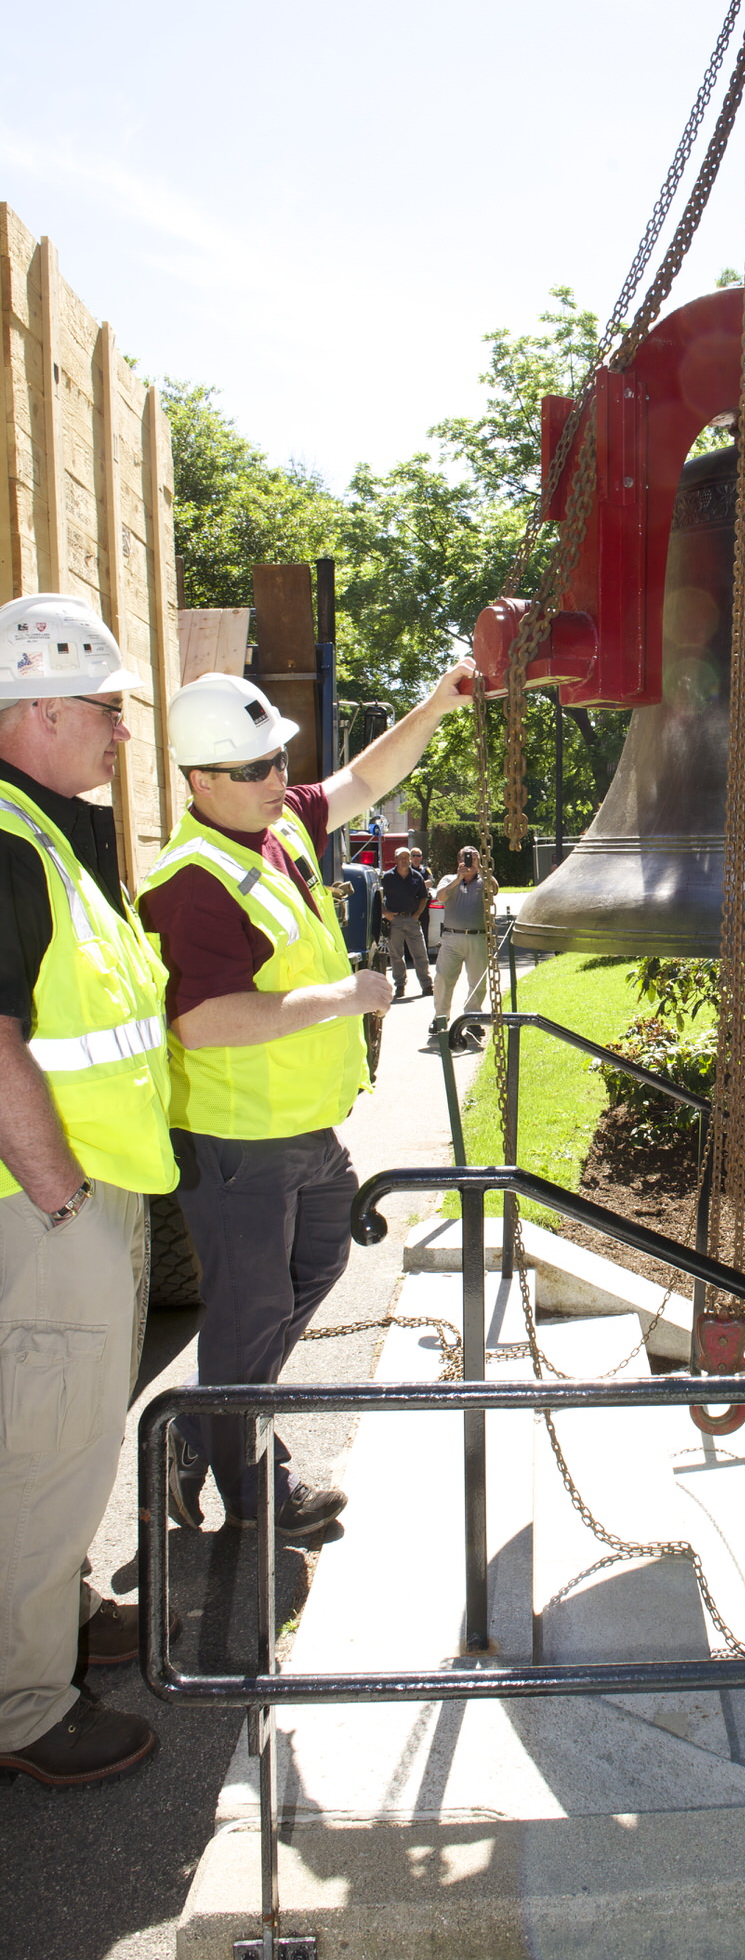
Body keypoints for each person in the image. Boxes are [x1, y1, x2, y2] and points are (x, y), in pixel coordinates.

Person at [140, 661, 475, 1537]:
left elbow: (365, 776)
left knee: (321, 1259)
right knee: (250, 1313)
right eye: (252, 769)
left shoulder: (279, 824)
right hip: (238, 1141)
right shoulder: (190, 881)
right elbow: (205, 1022)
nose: (277, 779)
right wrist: (348, 996)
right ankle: (256, 1495)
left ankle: (205, 1424)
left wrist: (436, 705)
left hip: (302, 1131)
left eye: (278, 760)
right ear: (200, 780)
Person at [0, 594, 178, 1788]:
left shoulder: (54, 831)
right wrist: (60, 1193)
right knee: (44, 1451)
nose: (121, 733)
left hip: (88, 1192)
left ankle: (51, 1614)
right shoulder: (12, 840)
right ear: (44, 707)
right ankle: (23, 1704)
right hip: (43, 1204)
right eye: (107, 710)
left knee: (63, 1434)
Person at [430, 845, 493, 1039]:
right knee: (442, 979)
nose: (469, 861)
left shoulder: (484, 881)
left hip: (477, 937)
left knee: (477, 982)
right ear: (459, 860)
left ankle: (472, 1017)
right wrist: (458, 878)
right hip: (451, 938)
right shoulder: (449, 879)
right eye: (466, 857)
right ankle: (440, 1017)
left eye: (473, 857)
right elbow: (440, 897)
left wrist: (481, 869)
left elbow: (495, 890)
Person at [381, 845, 433, 999]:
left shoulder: (417, 877)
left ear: (410, 859)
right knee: (396, 955)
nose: (404, 860)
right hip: (394, 921)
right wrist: (386, 913)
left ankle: (427, 985)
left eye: (406, 857)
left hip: (412, 920)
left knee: (420, 954)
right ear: (396, 859)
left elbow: (424, 897)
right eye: (401, 857)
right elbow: (378, 897)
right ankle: (400, 986)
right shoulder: (387, 877)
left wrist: (417, 914)